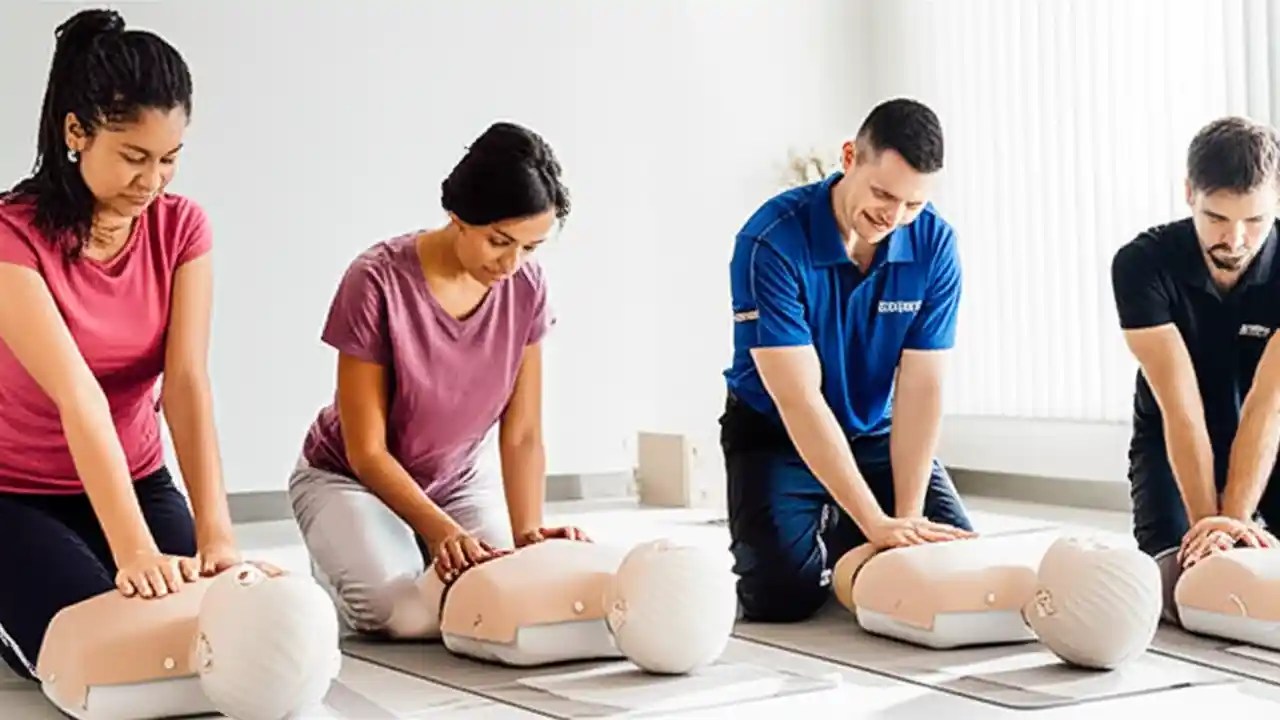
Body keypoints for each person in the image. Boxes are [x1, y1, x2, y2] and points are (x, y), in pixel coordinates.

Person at [0, 9, 243, 679]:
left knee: (217, 622)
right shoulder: (11, 237)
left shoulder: (182, 228)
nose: (154, 179)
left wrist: (217, 535)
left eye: (169, 159)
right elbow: (78, 394)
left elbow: (188, 383)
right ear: (76, 132)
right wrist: (134, 551)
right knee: (104, 651)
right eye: (134, 157)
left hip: (138, 478)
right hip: (16, 490)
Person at [289, 121, 588, 638]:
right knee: (405, 616)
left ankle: (403, 549)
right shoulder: (376, 279)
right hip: (349, 480)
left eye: (531, 248)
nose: (512, 264)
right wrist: (442, 532)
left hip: (454, 484)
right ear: (459, 216)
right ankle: (343, 566)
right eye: (500, 241)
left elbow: (522, 433)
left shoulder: (526, 286)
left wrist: (528, 538)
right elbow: (366, 451)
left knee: (506, 594)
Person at [721, 98, 977, 623]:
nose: (894, 215)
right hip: (777, 432)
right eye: (883, 193)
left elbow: (921, 389)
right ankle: (851, 524)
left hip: (872, 429)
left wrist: (903, 522)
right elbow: (797, 398)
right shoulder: (770, 241)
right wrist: (875, 524)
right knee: (780, 598)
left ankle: (851, 533)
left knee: (950, 557)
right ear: (848, 158)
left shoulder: (934, 245)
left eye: (913, 204)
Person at [1112, 116, 1280, 569]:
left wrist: (1236, 519)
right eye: (1217, 218)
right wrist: (1212, 534)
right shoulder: (1140, 265)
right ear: (1190, 193)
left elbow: (1270, 403)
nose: (1235, 240)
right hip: (1172, 436)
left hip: (1271, 432)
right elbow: (1180, 406)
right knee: (1179, 576)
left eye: (1255, 220)